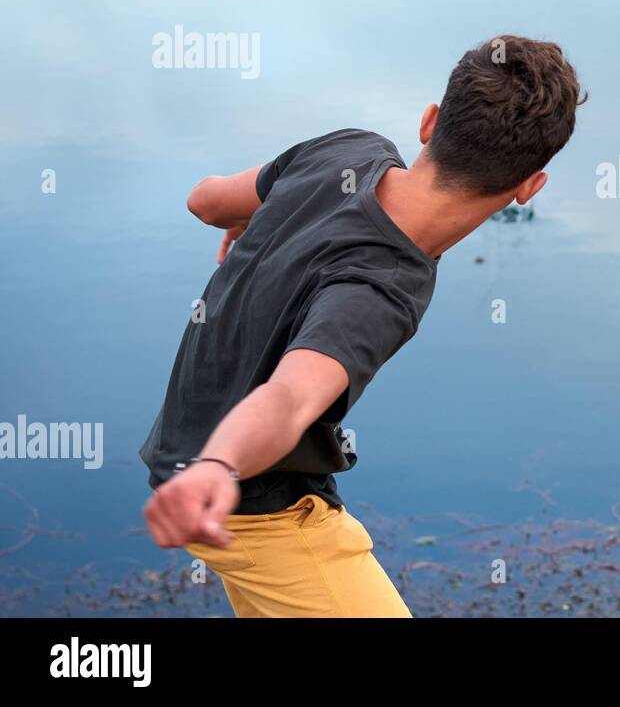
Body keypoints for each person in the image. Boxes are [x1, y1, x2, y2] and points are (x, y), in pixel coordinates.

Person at [138, 36, 585, 617]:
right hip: (253, 507)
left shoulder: (345, 151)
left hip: (192, 470)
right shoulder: (382, 287)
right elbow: (291, 397)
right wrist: (218, 467)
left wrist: (271, 215)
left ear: (429, 122)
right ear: (530, 186)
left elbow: (205, 200)